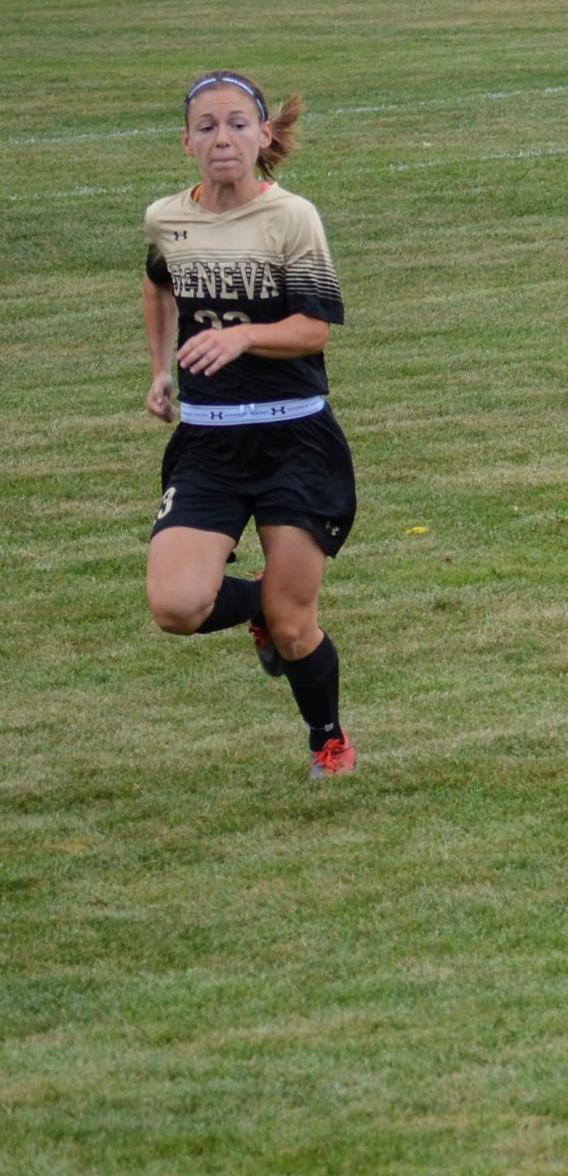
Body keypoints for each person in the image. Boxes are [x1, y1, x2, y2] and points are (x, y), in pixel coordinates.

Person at [142, 70, 356, 778]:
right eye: (206, 126)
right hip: (207, 442)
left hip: (294, 438)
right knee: (174, 606)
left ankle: (327, 735)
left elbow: (315, 329)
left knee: (296, 625)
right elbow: (158, 282)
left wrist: (242, 338)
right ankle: (256, 609)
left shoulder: (293, 217)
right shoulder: (167, 218)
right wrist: (160, 370)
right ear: (186, 143)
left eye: (237, 123)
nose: (222, 138)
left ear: (263, 136)